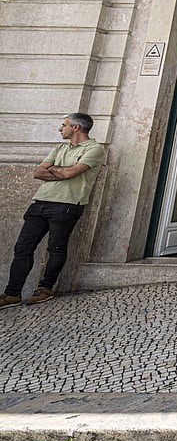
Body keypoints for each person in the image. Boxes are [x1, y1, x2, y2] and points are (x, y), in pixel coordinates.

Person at [0, 113, 106, 308]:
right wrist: (63, 172)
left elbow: (71, 172)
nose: (60, 128)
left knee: (56, 248)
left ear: (76, 127)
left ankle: (45, 288)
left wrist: (56, 170)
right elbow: (38, 172)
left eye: (64, 125)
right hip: (40, 202)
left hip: (67, 204)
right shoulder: (59, 148)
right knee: (22, 248)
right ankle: (12, 294)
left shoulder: (94, 149)